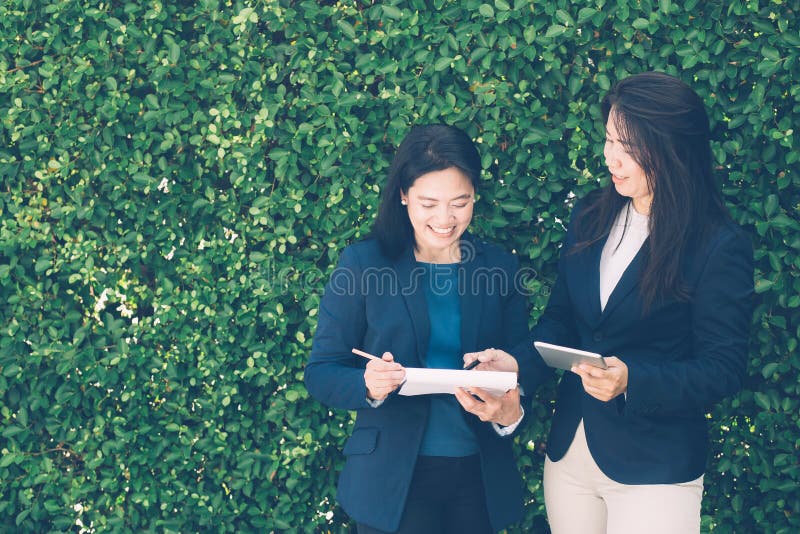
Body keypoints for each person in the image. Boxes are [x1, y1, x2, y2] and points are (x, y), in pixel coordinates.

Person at [463, 72, 754, 533]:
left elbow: (723, 368)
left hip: (655, 469)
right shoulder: (590, 214)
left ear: (673, 149)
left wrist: (632, 380)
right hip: (571, 459)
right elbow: (560, 320)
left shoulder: (718, 245)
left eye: (628, 147)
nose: (610, 157)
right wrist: (515, 366)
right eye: (608, 140)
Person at [305, 124, 530, 534]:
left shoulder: (499, 268)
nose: (445, 219)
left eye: (460, 203)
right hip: (390, 483)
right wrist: (369, 386)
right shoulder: (363, 264)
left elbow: (525, 365)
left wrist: (511, 410)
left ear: (475, 196)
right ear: (404, 195)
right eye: (429, 203)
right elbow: (322, 371)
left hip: (478, 481)